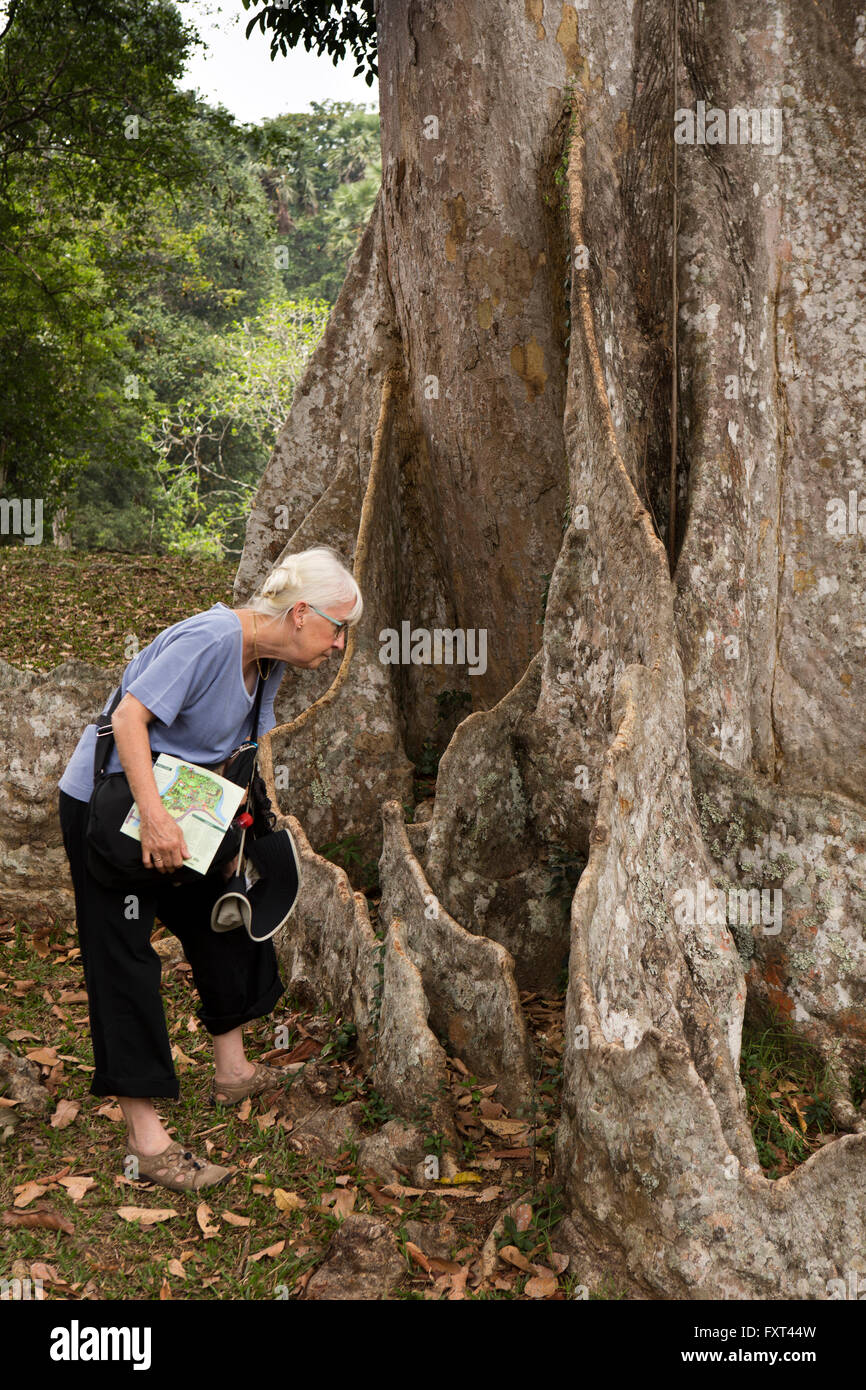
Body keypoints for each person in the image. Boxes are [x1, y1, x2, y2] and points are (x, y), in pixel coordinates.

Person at [57, 546, 363, 1193]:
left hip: (183, 807)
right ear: (302, 613)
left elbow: (232, 747)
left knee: (225, 917)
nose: (340, 644)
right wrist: (156, 817)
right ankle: (146, 1142)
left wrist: (236, 832)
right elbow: (128, 718)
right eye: (338, 627)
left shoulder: (269, 662)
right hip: (113, 806)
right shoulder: (211, 638)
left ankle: (234, 1073)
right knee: (125, 956)